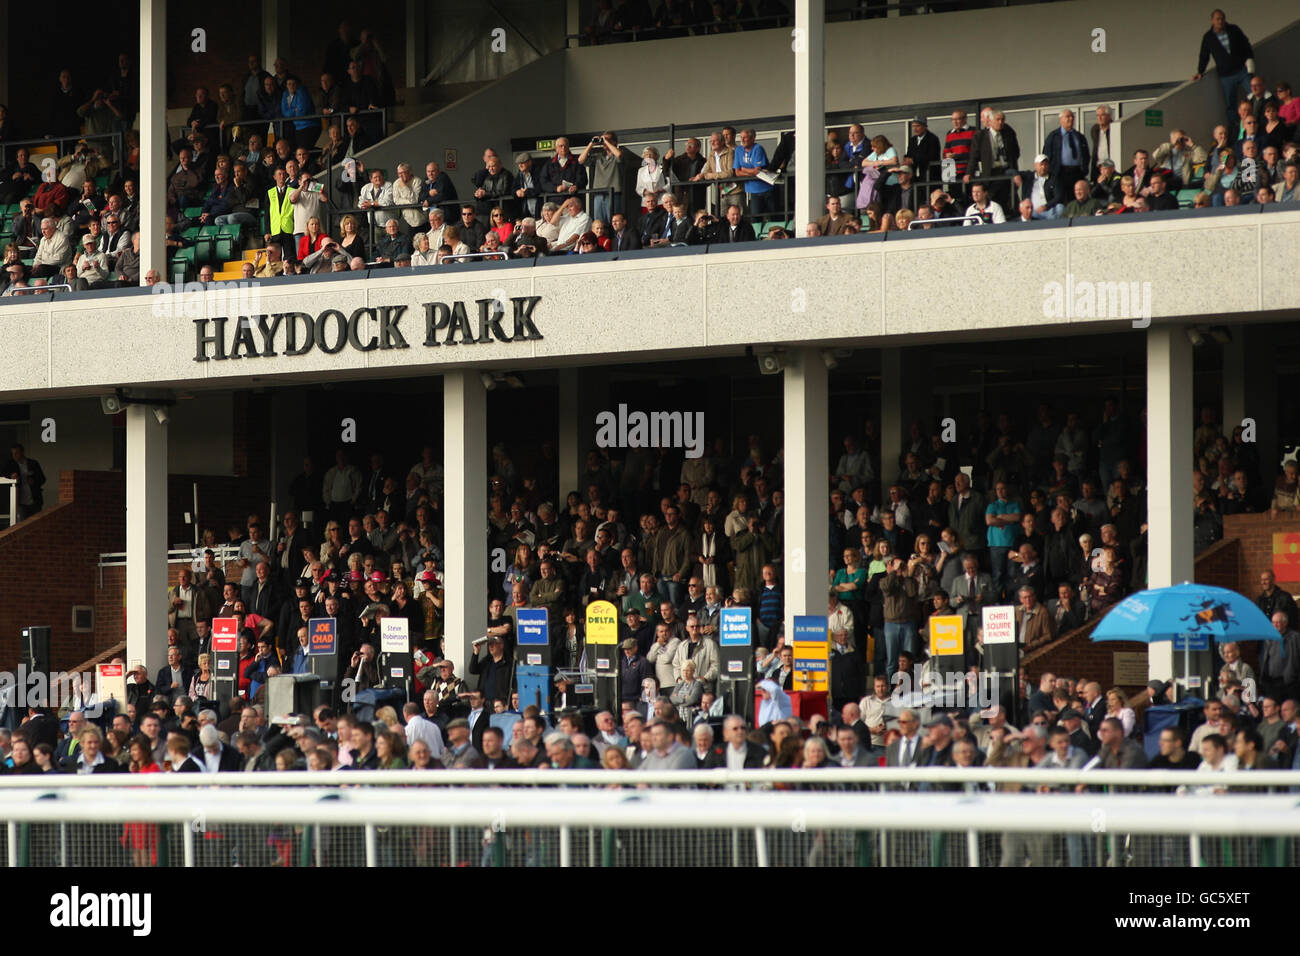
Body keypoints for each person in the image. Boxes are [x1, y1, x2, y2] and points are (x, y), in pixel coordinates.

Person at [1191, 9, 1256, 123]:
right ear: (1212, 21)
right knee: (1231, 104)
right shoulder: (1208, 37)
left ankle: (1257, 120)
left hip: (1242, 70)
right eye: (1218, 19)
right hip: (1226, 76)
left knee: (1255, 94)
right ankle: (1234, 129)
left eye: (1222, 18)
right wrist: (1200, 71)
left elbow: (1245, 44)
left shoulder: (1234, 29)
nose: (1220, 21)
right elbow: (1204, 55)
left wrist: (1250, 60)